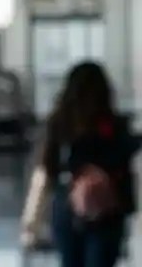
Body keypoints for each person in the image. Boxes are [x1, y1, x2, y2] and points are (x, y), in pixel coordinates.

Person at [21, 62, 136, 266]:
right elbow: (125, 165)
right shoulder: (115, 126)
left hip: (67, 207)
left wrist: (32, 222)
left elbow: (49, 168)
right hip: (107, 212)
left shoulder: (59, 124)